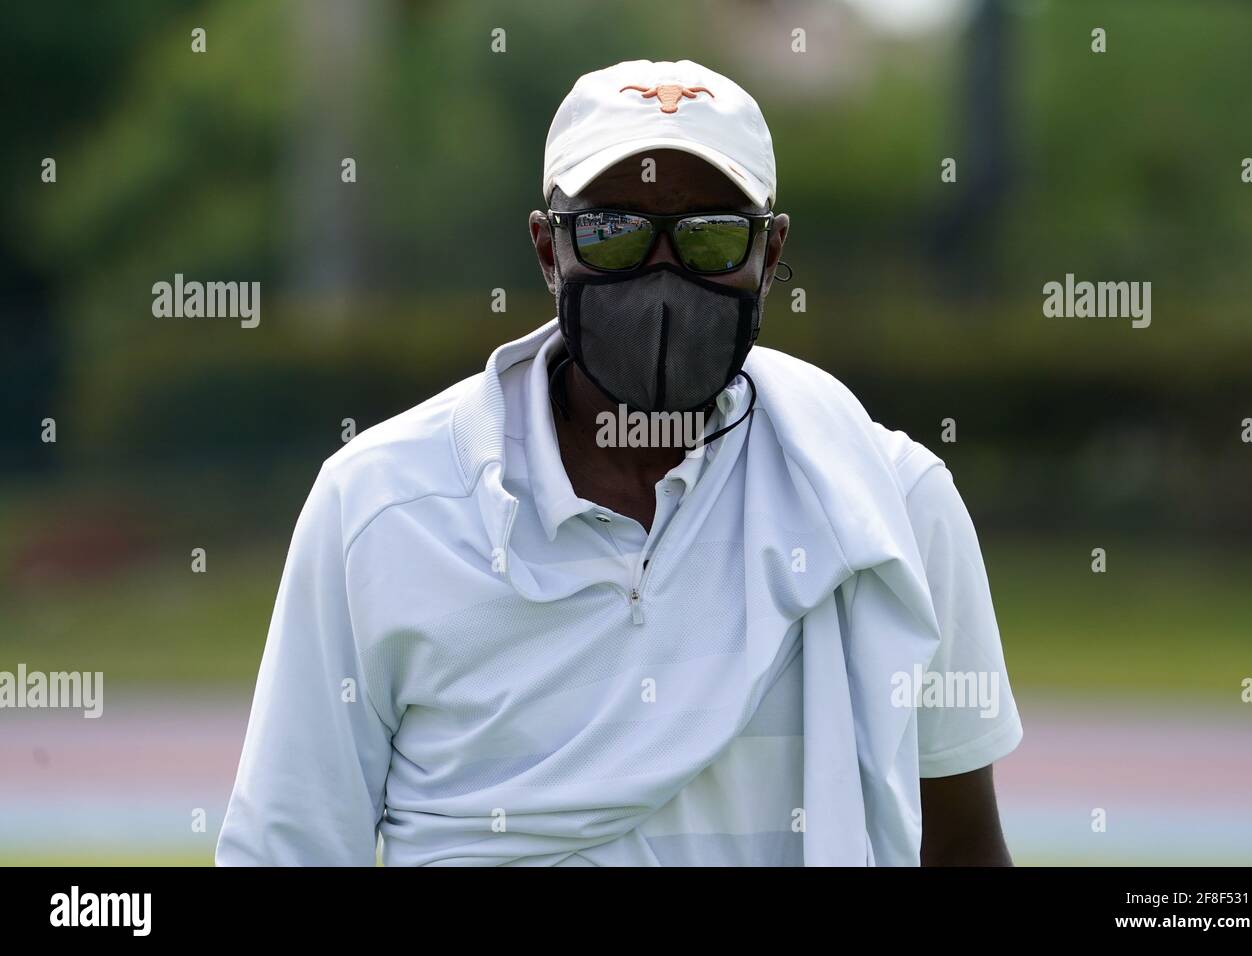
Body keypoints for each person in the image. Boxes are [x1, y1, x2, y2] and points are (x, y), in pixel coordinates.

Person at [216, 59, 1022, 867]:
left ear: (772, 253)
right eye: (612, 232)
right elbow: (289, 848)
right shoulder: (380, 506)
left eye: (710, 233)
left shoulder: (887, 504)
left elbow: (962, 847)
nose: (662, 271)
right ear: (546, 248)